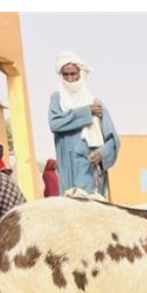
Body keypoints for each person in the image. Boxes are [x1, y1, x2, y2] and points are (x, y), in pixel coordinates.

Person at [48, 51, 120, 197]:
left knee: (92, 211)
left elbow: (113, 140)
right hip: (68, 168)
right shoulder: (57, 99)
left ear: (80, 74)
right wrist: (86, 113)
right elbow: (55, 124)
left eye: (73, 74)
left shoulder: (95, 102)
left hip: (89, 168)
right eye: (65, 74)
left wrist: (102, 153)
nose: (70, 79)